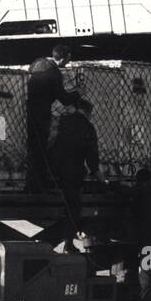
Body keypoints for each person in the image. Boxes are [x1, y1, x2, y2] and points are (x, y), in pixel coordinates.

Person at [26, 44, 83, 193]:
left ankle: (31, 183)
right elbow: (63, 98)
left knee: (32, 148)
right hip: (42, 114)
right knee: (41, 149)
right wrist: (78, 93)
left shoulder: (38, 63)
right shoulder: (54, 73)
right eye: (68, 59)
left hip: (29, 111)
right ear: (64, 57)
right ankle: (39, 184)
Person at [48, 100, 100, 252]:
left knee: (68, 206)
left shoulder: (62, 122)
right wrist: (98, 174)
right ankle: (68, 243)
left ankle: (57, 242)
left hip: (54, 172)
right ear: (88, 112)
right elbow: (92, 156)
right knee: (74, 208)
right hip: (73, 173)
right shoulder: (87, 127)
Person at [120, 168, 151, 301]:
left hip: (148, 239)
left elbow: (129, 192)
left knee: (146, 272)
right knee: (150, 271)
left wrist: (110, 185)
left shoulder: (144, 192)